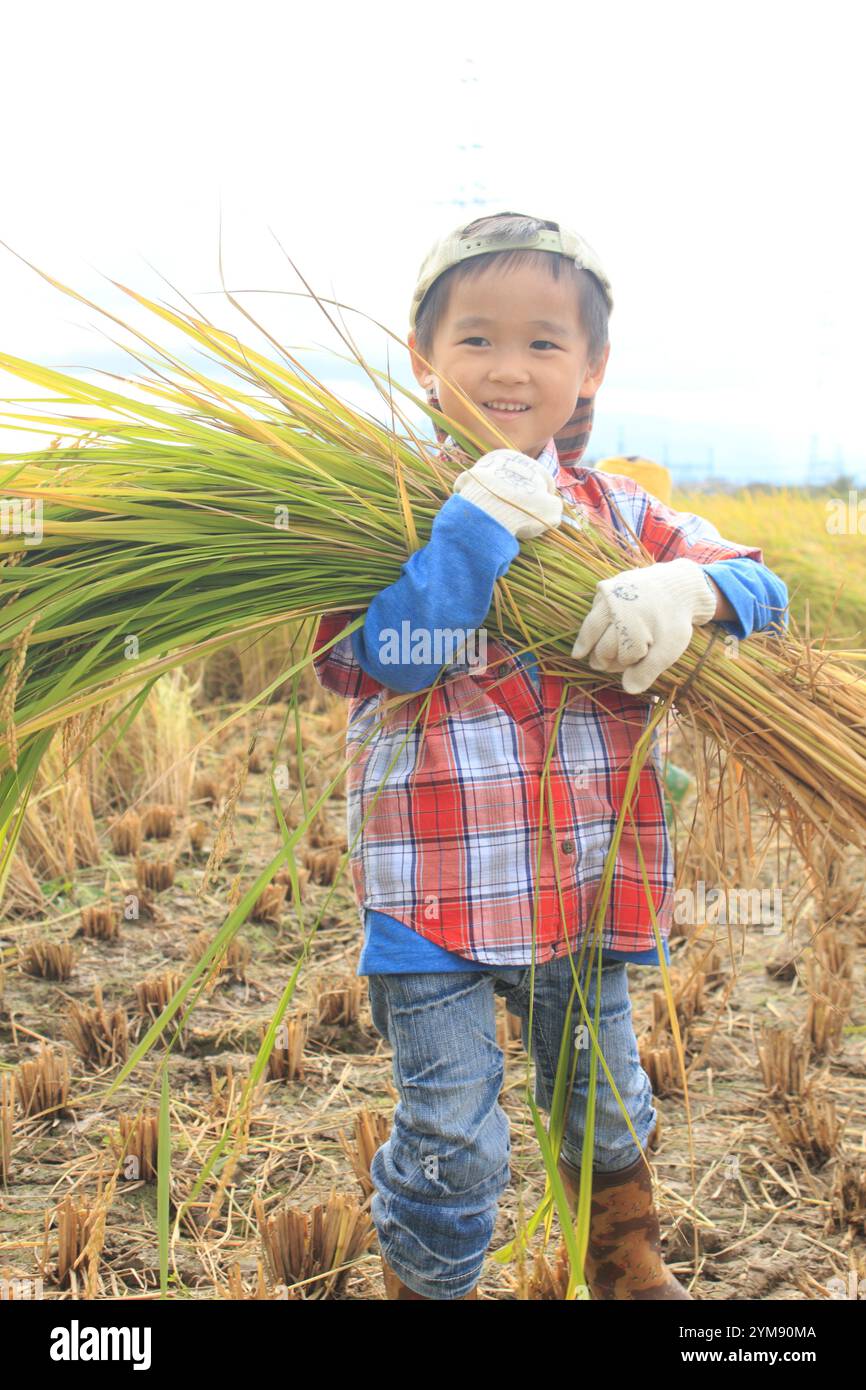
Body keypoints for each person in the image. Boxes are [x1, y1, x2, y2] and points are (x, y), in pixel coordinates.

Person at [312, 211, 789, 1300]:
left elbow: (760, 583)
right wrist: (470, 530)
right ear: (422, 359)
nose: (508, 367)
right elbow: (374, 662)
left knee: (603, 1091)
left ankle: (622, 1261)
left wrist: (691, 589)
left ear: (591, 368)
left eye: (542, 342)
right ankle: (430, 1284)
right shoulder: (383, 504)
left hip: (584, 886)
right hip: (434, 892)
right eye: (474, 338)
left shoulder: (618, 513)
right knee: (447, 1123)